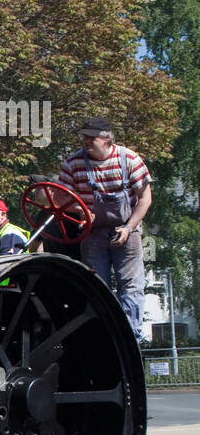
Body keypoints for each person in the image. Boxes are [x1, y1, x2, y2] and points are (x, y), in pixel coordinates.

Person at [57, 117, 152, 337]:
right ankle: (103, 336)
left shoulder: (129, 159)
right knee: (96, 286)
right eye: (84, 137)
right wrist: (80, 211)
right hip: (93, 232)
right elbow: (61, 197)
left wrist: (128, 228)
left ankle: (131, 336)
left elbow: (145, 199)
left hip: (128, 228)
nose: (86, 142)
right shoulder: (73, 164)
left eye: (91, 137)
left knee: (131, 285)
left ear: (107, 138)